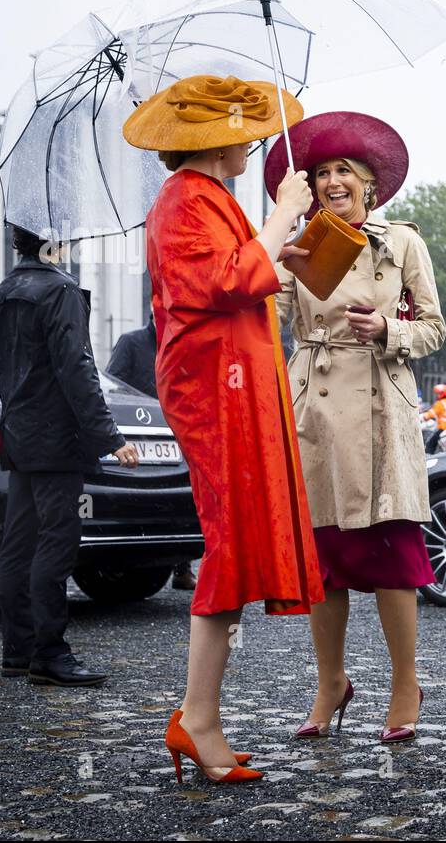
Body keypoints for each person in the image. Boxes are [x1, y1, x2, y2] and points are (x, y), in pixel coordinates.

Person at [123, 73, 325, 783]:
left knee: (231, 548)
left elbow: (242, 273)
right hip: (213, 393)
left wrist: (282, 249)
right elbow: (226, 282)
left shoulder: (208, 198)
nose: (258, 138)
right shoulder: (183, 200)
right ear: (218, 140)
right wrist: (280, 218)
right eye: (247, 127)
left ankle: (199, 715)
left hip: (232, 389)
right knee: (227, 546)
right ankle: (195, 718)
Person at [264, 111, 445, 744]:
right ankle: (330, 682)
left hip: (379, 405)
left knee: (392, 553)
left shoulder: (403, 243)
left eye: (345, 170)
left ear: (370, 184)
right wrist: (276, 262)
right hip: (313, 404)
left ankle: (404, 683)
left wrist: (389, 331)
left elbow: (433, 327)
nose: (333, 180)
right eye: (321, 173)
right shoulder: (302, 242)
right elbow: (269, 319)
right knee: (325, 559)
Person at [0, 225, 139, 687]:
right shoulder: (60, 290)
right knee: (56, 542)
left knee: (18, 544)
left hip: (19, 433)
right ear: (57, 243)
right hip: (56, 439)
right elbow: (77, 369)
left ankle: (19, 649)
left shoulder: (3, 292)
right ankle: (50, 653)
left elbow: (5, 372)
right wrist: (110, 437)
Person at [106, 315, 196, 591]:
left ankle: (182, 567)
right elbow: (114, 384)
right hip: (139, 432)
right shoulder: (132, 342)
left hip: (177, 432)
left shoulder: (184, 343)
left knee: (179, 496)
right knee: (142, 495)